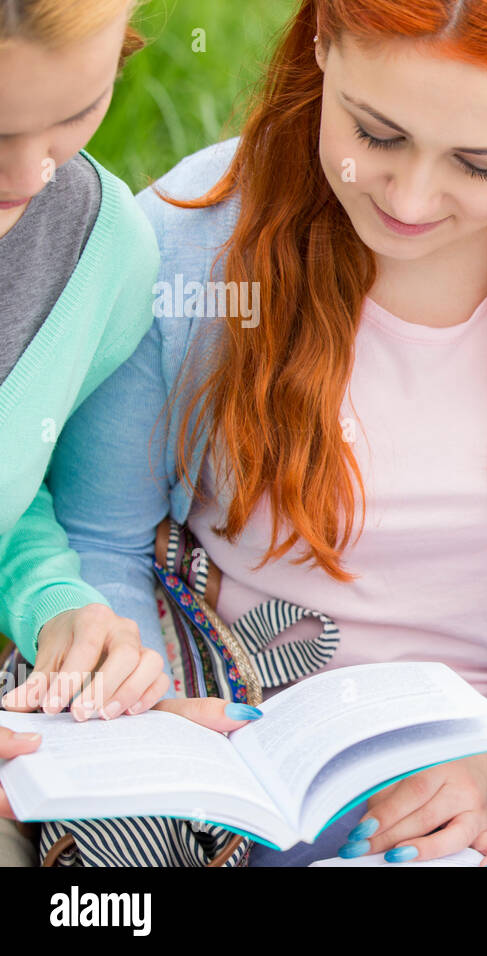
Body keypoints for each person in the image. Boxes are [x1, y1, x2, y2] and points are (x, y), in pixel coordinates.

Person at [50, 0, 487, 866]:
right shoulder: (184, 239)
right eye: (378, 134)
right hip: (267, 751)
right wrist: (174, 729)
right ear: (322, 38)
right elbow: (102, 536)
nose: (409, 199)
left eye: (481, 164)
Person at [0, 0, 176, 865]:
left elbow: (13, 491)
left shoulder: (103, 253)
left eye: (75, 113)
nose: (30, 175)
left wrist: (55, 602)